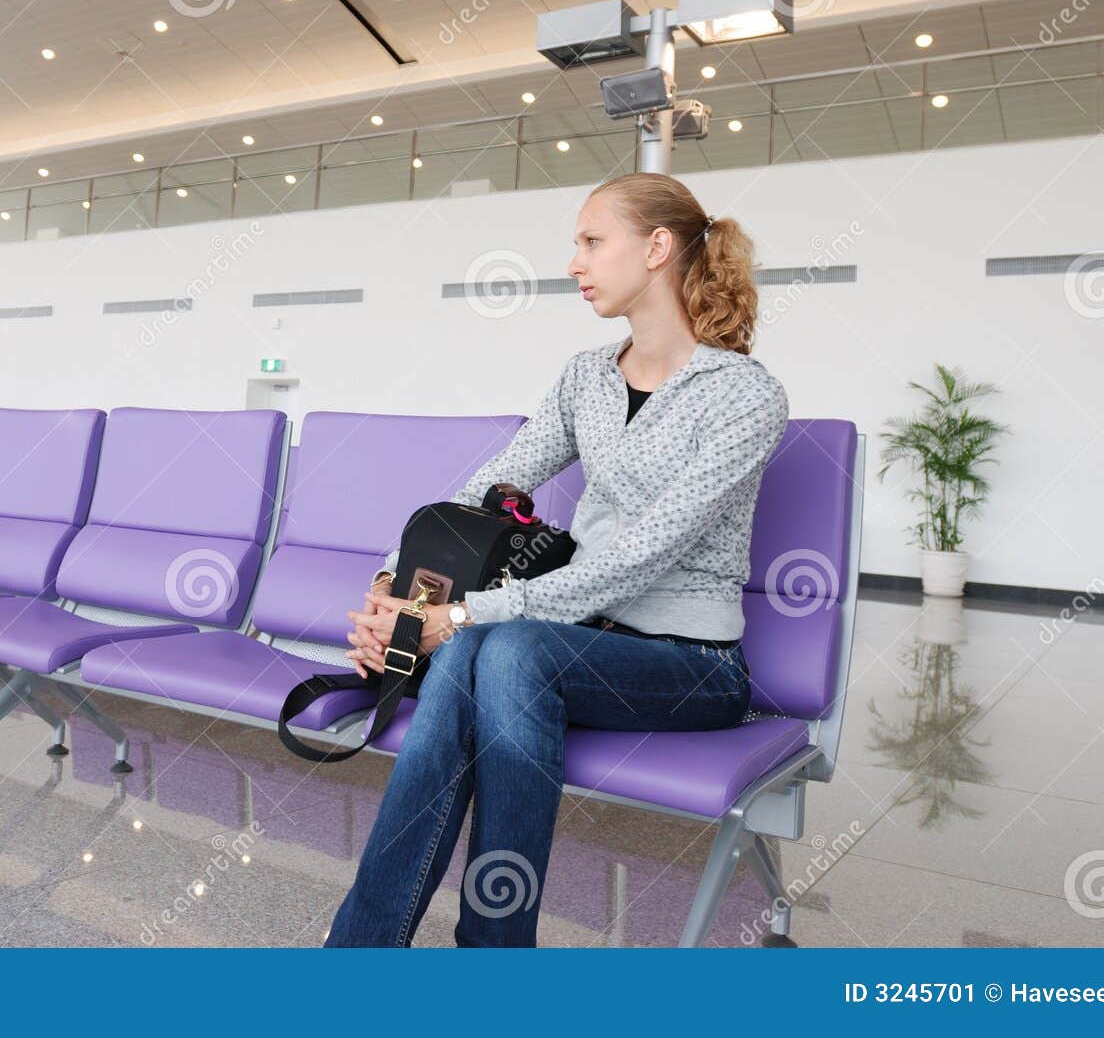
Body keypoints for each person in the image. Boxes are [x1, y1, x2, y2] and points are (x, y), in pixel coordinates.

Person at [325, 172, 790, 948]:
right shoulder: (586, 377)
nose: (574, 261)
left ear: (657, 247)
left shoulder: (745, 396)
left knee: (500, 645)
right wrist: (394, 592)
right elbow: (481, 494)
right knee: (494, 648)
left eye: (590, 241)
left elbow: (637, 559)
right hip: (568, 640)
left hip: (692, 664)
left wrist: (460, 614)